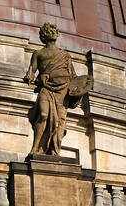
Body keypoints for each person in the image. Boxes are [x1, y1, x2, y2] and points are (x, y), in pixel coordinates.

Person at [24, 22, 91, 157]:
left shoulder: (65, 55)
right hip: (46, 89)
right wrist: (32, 77)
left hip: (62, 91)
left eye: (55, 30)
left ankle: (54, 151)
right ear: (44, 35)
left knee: (59, 122)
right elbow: (31, 72)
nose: (54, 33)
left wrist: (79, 90)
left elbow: (73, 76)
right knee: (43, 114)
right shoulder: (38, 53)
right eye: (50, 31)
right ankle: (35, 148)